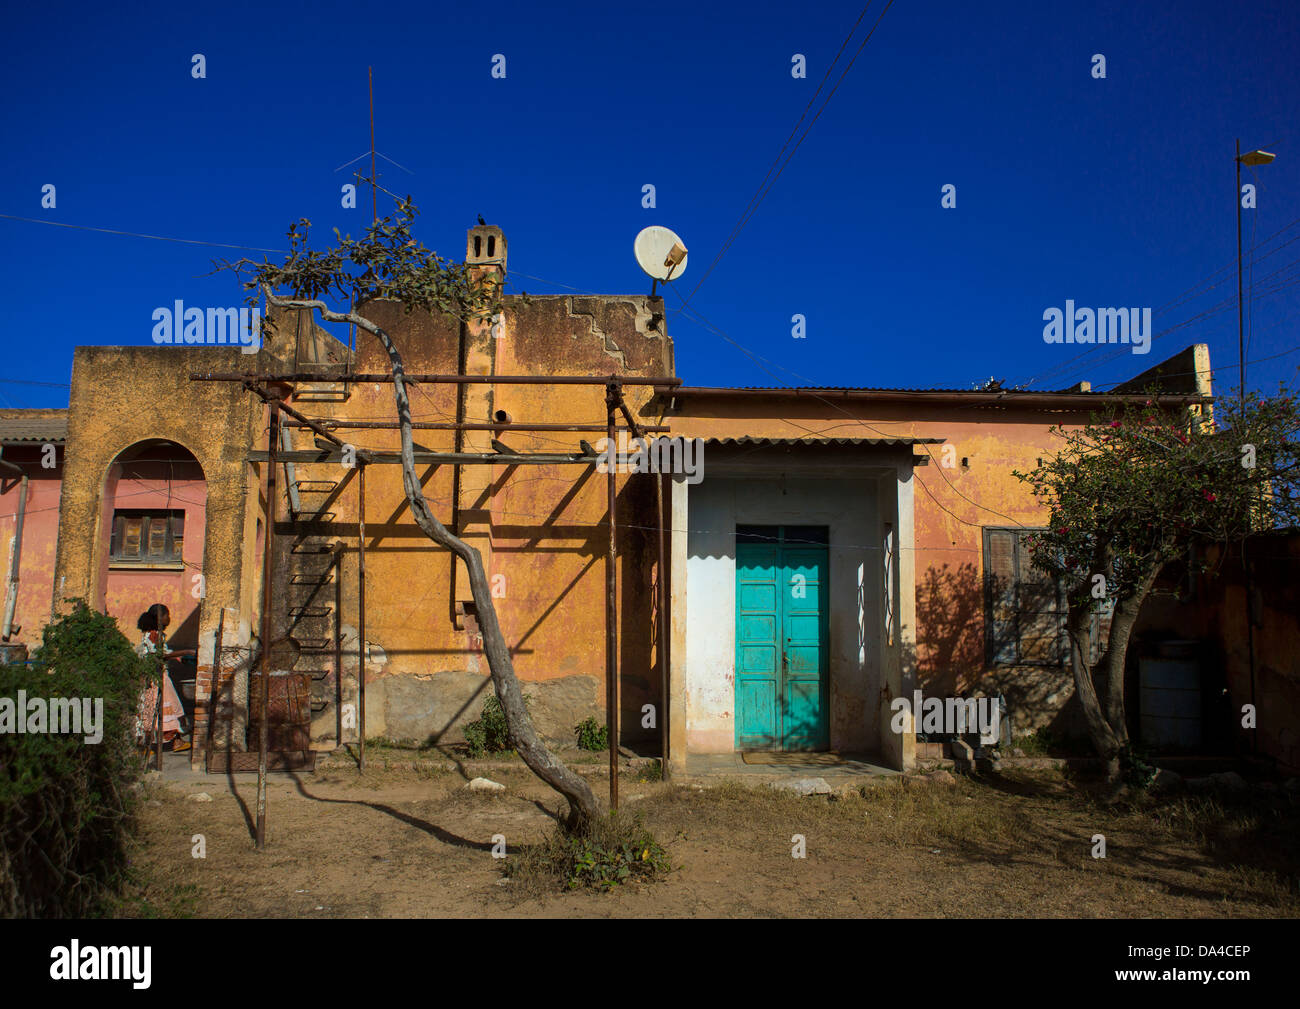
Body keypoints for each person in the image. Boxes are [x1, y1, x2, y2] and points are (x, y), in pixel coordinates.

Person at [135, 604, 196, 754]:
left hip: (157, 675)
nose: (168, 618)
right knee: (161, 708)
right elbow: (158, 655)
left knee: (166, 708)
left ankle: (174, 741)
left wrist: (179, 657)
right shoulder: (154, 635)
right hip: (155, 677)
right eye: (166, 615)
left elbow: (162, 651)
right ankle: (150, 745)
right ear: (159, 618)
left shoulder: (156, 634)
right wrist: (186, 651)